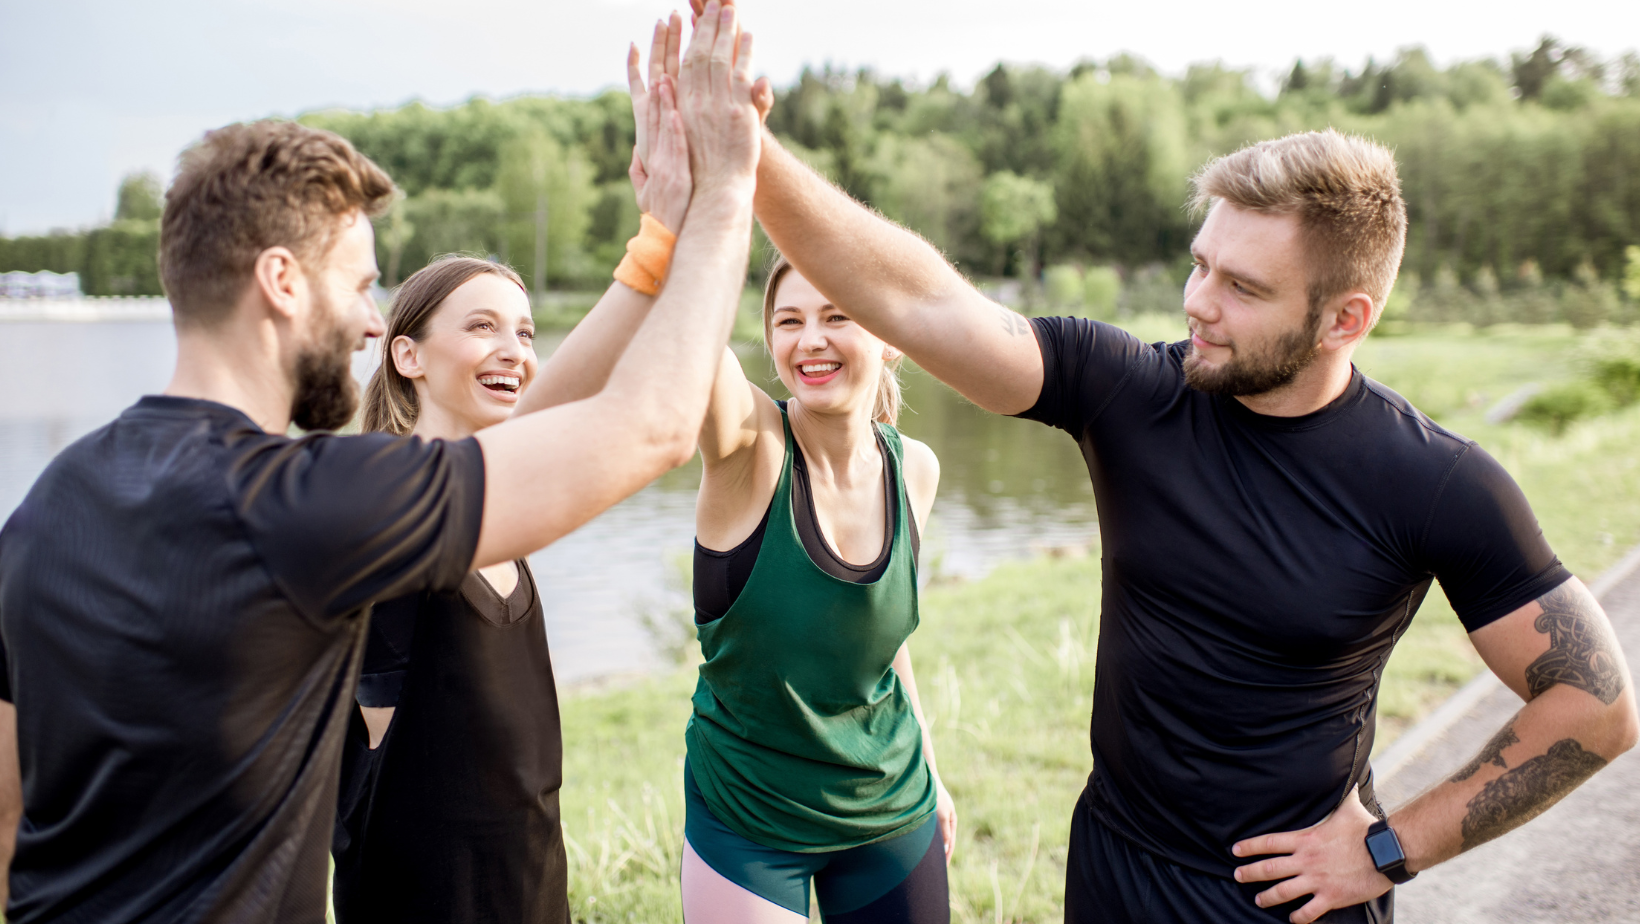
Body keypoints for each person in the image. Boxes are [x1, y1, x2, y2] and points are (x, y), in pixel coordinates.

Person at [695, 12, 1637, 916]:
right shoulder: (1133, 392)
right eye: (1200, 264)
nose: (1198, 303)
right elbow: (924, 302)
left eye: (1242, 286)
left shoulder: (1437, 482)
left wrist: (1391, 849)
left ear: (1344, 318)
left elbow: (1595, 708)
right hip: (1109, 871)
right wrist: (750, 152)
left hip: (1283, 903)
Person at [0, 4, 764, 920]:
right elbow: (651, 428)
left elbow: (9, 816)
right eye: (361, 285)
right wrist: (723, 197)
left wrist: (655, 244)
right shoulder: (302, 505)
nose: (372, 320)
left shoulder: (49, 506)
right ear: (281, 283)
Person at [329, 22, 700, 919]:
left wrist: (664, 230)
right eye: (483, 326)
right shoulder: (385, 495)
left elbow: (574, 389)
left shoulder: (492, 485)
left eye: (526, 331)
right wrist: (675, 232)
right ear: (407, 356)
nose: (516, 351)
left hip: (533, 886)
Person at [681, 254, 954, 924]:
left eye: (837, 316)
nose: (811, 339)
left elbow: (880, 639)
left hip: (891, 804)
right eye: (789, 321)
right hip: (749, 817)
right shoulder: (749, 448)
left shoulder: (913, 468)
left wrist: (933, 768)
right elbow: (691, 340)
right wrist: (691, 215)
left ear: (889, 335)